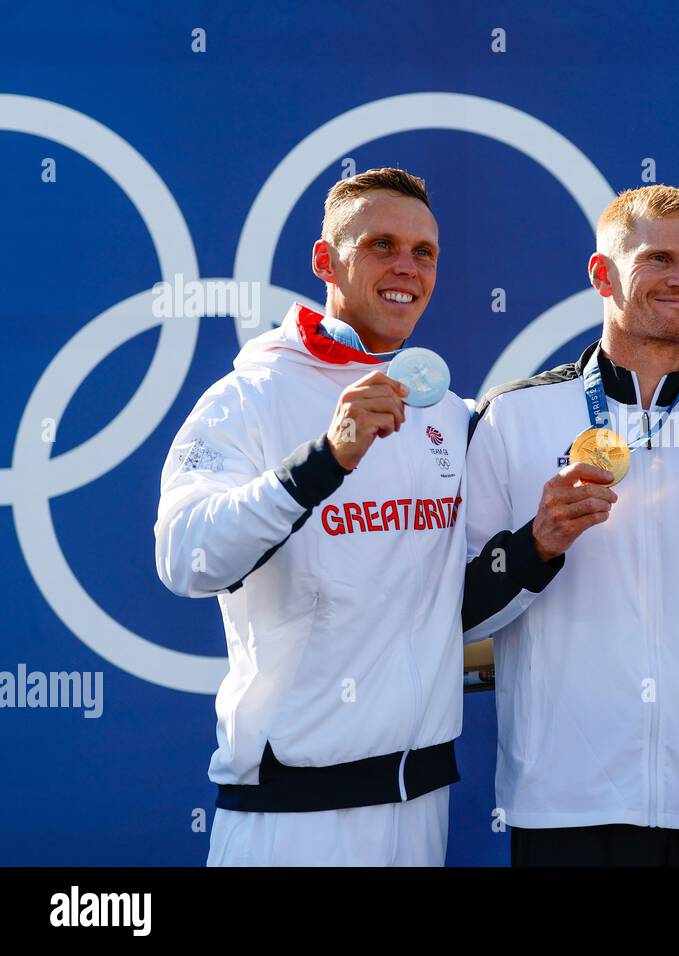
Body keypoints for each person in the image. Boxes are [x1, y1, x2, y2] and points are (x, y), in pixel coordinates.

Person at [154, 167, 598, 866]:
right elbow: (185, 557)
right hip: (291, 816)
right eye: (381, 245)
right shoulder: (249, 398)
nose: (407, 267)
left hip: (419, 807)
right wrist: (325, 459)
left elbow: (446, 610)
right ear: (324, 260)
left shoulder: (448, 415)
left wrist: (538, 545)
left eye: (425, 253)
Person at [464, 184, 679, 866]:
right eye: (659, 259)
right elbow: (453, 615)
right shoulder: (512, 418)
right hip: (564, 812)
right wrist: (536, 547)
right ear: (601, 274)